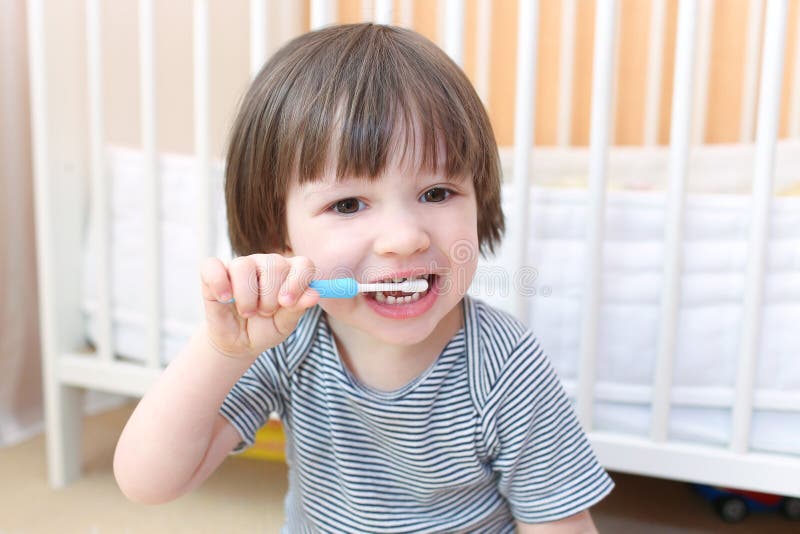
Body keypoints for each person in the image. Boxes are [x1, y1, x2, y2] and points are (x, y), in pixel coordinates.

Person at [113, 23, 613, 532]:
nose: (404, 237)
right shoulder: (288, 341)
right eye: (348, 204)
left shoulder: (504, 365)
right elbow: (147, 481)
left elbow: (559, 524)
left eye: (437, 193)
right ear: (280, 240)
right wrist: (224, 352)